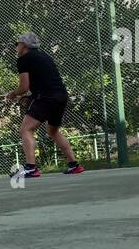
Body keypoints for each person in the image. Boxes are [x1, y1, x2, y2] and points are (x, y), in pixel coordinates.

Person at [5, 33, 84, 178]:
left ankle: (31, 168)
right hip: (61, 96)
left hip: (46, 97)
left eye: (17, 44)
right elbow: (46, 81)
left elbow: (23, 86)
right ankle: (74, 165)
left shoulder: (23, 59)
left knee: (25, 130)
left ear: (24, 46)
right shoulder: (44, 56)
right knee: (53, 131)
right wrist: (31, 97)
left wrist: (13, 94)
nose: (16, 47)